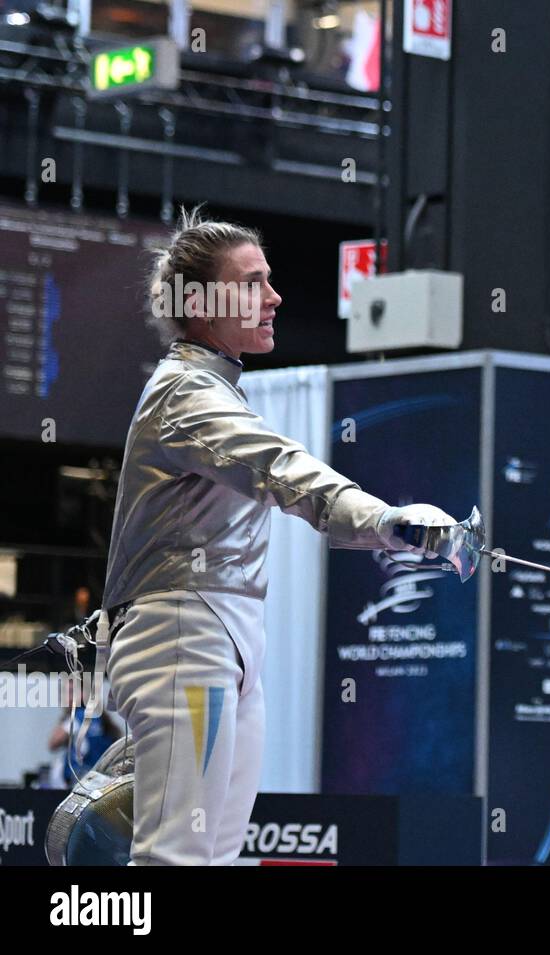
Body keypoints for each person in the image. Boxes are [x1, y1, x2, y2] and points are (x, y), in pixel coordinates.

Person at [101, 207, 452, 865]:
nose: (274, 297)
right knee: (176, 854)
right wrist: (383, 519)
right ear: (203, 303)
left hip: (230, 639)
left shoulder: (217, 389)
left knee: (217, 853)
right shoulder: (184, 393)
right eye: (255, 282)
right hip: (183, 634)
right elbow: (279, 467)